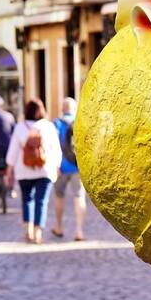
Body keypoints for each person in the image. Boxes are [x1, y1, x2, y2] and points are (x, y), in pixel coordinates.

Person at [5, 98, 62, 244]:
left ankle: (27, 230)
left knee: (27, 199)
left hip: (23, 170)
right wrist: (57, 166)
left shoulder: (19, 127)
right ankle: (38, 233)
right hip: (45, 170)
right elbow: (56, 149)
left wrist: (9, 169)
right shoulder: (48, 126)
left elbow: (13, 151)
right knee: (41, 201)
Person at [51, 96, 86, 241]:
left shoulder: (56, 123)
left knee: (59, 196)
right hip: (78, 167)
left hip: (61, 167)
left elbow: (51, 145)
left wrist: (54, 165)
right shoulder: (81, 123)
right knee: (79, 196)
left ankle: (59, 227)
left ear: (62, 109)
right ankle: (79, 231)